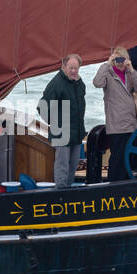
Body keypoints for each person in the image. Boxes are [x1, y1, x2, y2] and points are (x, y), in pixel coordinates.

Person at [92, 46, 137, 182]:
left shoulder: (129, 74)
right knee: (117, 155)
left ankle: (125, 181)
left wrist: (132, 69)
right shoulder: (108, 75)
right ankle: (114, 182)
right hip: (116, 123)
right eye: (117, 59)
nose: (120, 62)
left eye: (122, 58)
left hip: (131, 122)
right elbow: (97, 82)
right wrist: (107, 63)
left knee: (128, 155)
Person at [39, 53, 87, 188]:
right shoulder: (57, 83)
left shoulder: (79, 82)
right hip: (61, 132)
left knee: (73, 166)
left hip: (77, 131)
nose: (73, 71)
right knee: (62, 166)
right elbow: (42, 106)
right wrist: (55, 124)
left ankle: (68, 191)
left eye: (76, 68)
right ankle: (60, 192)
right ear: (64, 66)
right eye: (71, 68)